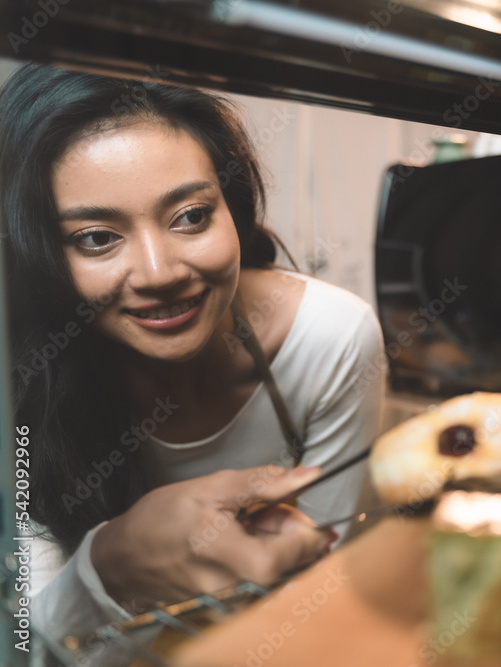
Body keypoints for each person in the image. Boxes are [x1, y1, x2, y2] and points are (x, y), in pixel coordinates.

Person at [0, 63, 385, 661]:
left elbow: (315, 604)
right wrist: (112, 562)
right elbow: (26, 644)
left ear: (233, 208)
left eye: (191, 216)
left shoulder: (329, 338)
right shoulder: (21, 379)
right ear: (37, 255)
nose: (160, 273)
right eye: (96, 237)